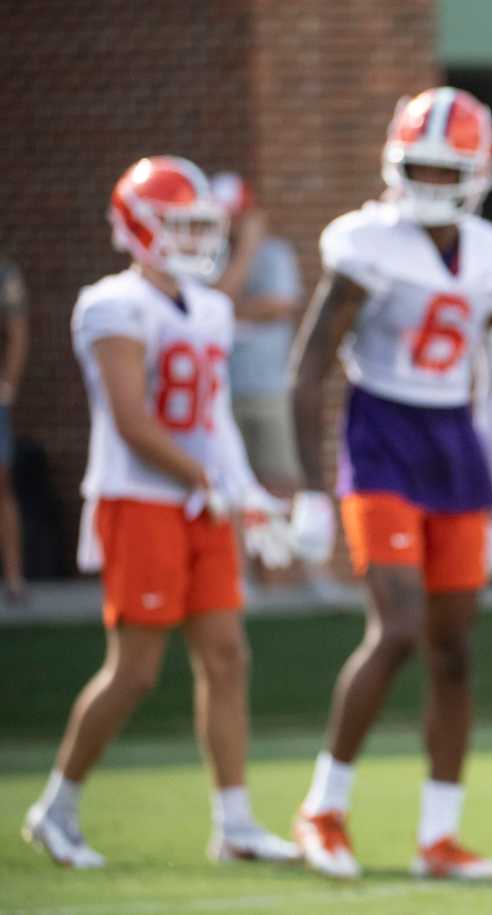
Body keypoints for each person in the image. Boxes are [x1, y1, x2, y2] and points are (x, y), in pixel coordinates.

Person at [21, 156, 298, 868]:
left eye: (202, 226)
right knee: (136, 669)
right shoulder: (111, 302)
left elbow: (214, 419)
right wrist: (213, 481)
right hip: (139, 498)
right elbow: (133, 421)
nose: (194, 239)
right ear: (139, 226)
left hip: (200, 501)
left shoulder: (208, 306)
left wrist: (248, 494)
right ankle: (57, 807)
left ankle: (234, 822)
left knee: (228, 656)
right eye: (179, 225)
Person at [288, 87, 492, 881]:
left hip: (454, 446)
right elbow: (309, 368)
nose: (431, 178)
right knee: (393, 631)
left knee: (453, 650)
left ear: (479, 171)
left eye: (446, 165)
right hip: (381, 435)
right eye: (419, 163)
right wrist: (309, 490)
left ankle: (438, 834)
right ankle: (322, 808)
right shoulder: (368, 242)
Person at [210, 172, 304, 501]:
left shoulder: (276, 253)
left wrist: (231, 307)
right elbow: (213, 308)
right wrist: (245, 252)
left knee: (280, 481)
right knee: (232, 487)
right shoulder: (209, 258)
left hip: (269, 388)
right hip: (222, 392)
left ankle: (283, 553)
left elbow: (279, 306)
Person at [0, 257, 30, 602]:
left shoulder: (5, 271)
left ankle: (14, 577)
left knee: (3, 484)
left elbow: (18, 331)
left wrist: (8, 385)